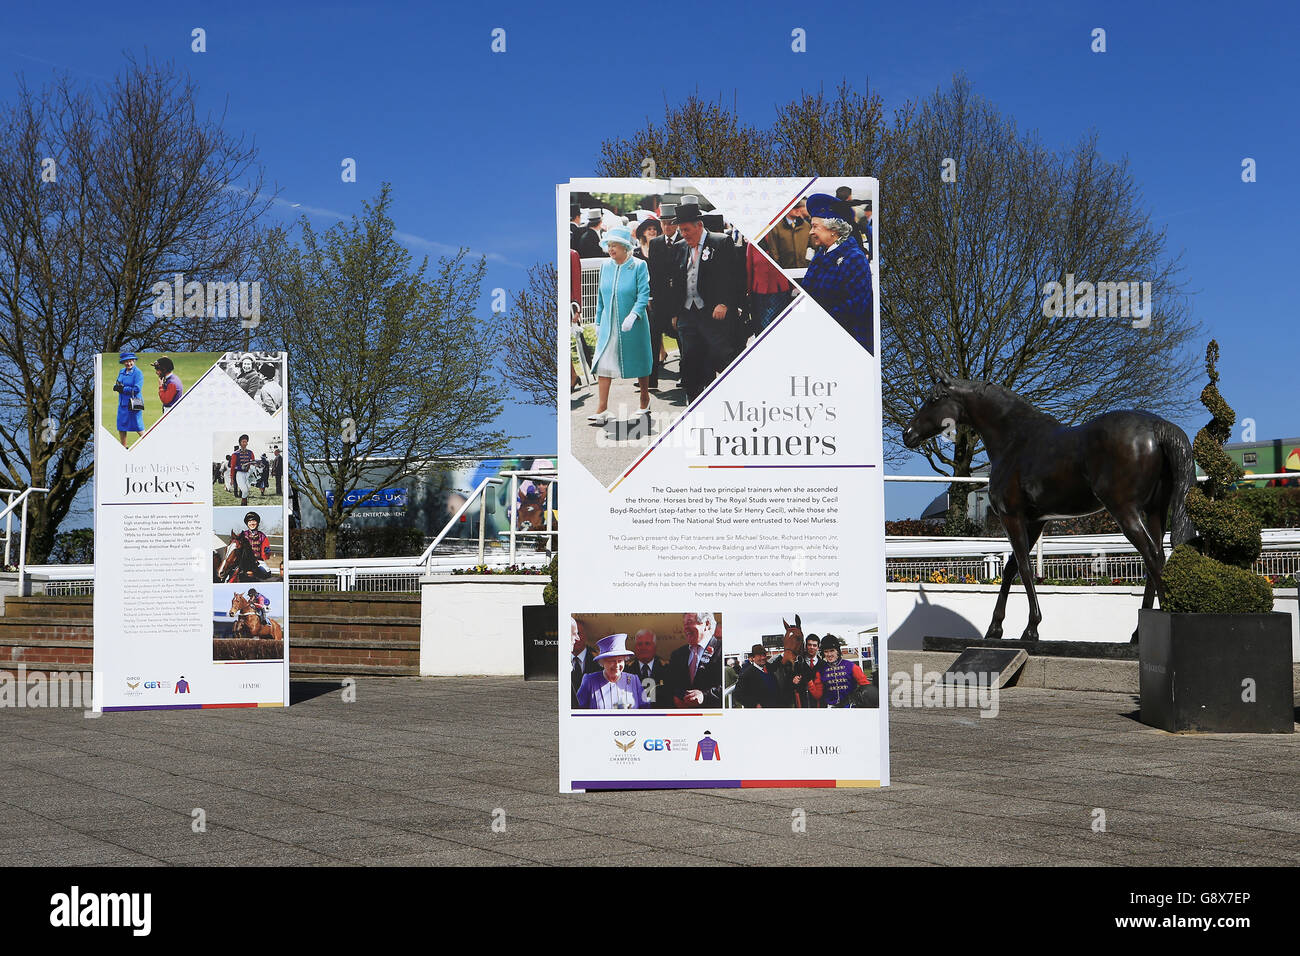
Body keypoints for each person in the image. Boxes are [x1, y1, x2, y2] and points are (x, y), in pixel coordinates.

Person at [668, 204, 744, 403]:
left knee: (719, 356)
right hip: (687, 313)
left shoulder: (720, 242)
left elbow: (732, 277)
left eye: (687, 229)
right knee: (690, 359)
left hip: (712, 312)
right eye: (681, 230)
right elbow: (677, 282)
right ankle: (693, 401)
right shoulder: (680, 247)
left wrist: (724, 303)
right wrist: (676, 312)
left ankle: (730, 398)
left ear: (699, 225)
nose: (683, 234)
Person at [587, 225, 652, 425]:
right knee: (604, 362)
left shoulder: (639, 266)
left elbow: (643, 294)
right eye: (609, 245)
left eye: (615, 245)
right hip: (609, 324)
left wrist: (633, 315)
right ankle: (602, 408)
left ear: (625, 247)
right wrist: (598, 321)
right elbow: (601, 297)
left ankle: (644, 400)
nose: (611, 249)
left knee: (640, 362)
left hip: (633, 325)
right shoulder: (606, 266)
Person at [801, 193, 875, 354]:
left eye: (815, 226)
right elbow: (806, 290)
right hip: (819, 339)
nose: (810, 232)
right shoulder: (820, 255)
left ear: (834, 229)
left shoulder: (854, 257)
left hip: (847, 344)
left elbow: (857, 305)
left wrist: (819, 321)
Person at [645, 204, 681, 390]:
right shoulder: (656, 243)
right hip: (659, 299)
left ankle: (686, 375)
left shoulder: (684, 240)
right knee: (653, 338)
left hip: (679, 298)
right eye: (664, 223)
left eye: (670, 223)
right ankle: (651, 380)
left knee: (681, 337)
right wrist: (650, 296)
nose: (667, 227)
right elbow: (652, 271)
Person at [667, 611, 723, 708]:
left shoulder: (722, 649)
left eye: (689, 622)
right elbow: (670, 685)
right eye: (684, 624)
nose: (685, 628)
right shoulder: (677, 654)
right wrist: (678, 697)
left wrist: (703, 695)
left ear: (707, 624)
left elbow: (726, 686)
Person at [575, 634, 646, 710]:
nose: (617, 665)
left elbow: (645, 709)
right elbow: (578, 710)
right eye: (612, 661)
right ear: (602, 662)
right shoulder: (589, 681)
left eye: (620, 661)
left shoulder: (634, 680)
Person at [808, 635, 873, 708]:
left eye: (832, 651)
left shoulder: (851, 666)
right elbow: (818, 695)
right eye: (826, 652)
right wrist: (809, 681)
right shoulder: (820, 671)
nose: (829, 655)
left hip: (851, 707)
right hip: (831, 709)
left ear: (837, 651)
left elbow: (866, 686)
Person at [746, 242, 793, 335]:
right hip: (759, 292)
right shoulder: (752, 245)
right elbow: (749, 269)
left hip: (780, 291)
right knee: (761, 328)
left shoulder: (778, 239)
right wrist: (748, 291)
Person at [761, 200, 811, 268]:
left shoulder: (806, 226)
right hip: (784, 269)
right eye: (794, 207)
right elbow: (773, 252)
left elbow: (813, 246)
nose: (797, 210)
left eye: (799, 207)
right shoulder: (775, 227)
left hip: (803, 269)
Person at [629, 628, 670, 709]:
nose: (643, 647)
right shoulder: (626, 670)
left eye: (647, 643)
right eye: (640, 644)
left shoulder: (667, 669)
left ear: (655, 647)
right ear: (635, 647)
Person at [735, 644, 783, 709]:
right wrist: (754, 704)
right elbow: (738, 695)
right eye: (759, 656)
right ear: (753, 658)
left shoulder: (768, 667)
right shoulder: (747, 674)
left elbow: (774, 666)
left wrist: (782, 655)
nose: (763, 658)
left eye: (764, 655)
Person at [112, 352, 145, 447]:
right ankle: (124, 448)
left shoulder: (138, 373)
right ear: (123, 362)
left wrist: (123, 389)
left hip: (134, 403)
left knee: (138, 426)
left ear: (134, 360)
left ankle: (149, 444)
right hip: (123, 403)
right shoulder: (122, 371)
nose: (128, 363)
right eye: (126, 361)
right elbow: (119, 382)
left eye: (130, 361)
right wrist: (117, 386)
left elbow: (137, 389)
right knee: (121, 427)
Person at [569, 619, 602, 709]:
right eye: (571, 634)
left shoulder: (599, 662)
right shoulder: (560, 660)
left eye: (578, 633)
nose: (576, 638)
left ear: (586, 636)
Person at [231, 434, 255, 506]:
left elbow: (253, 462)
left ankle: (244, 504)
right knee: (244, 490)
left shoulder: (250, 452)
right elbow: (233, 467)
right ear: (240, 443)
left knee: (246, 491)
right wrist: (232, 478)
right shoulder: (235, 454)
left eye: (246, 442)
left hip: (248, 473)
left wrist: (255, 464)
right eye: (243, 442)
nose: (245, 443)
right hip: (240, 474)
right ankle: (243, 503)